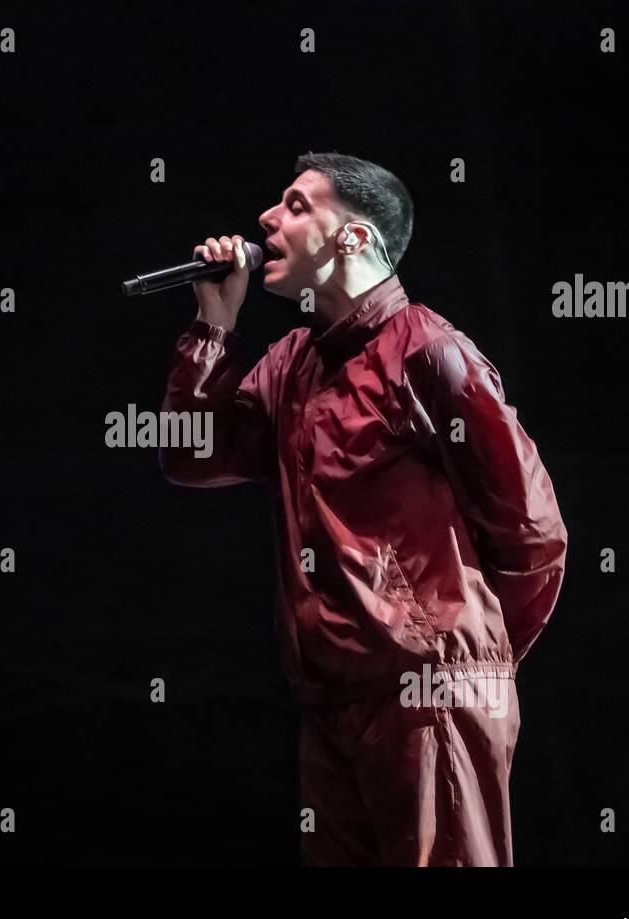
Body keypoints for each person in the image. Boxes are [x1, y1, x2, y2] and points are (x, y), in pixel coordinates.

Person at [159, 152, 568, 866]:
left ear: (352, 238)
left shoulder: (431, 353)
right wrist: (213, 325)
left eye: (294, 204)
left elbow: (533, 533)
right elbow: (191, 457)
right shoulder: (292, 362)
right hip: (331, 701)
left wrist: (464, 663)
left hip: (426, 693)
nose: (266, 217)